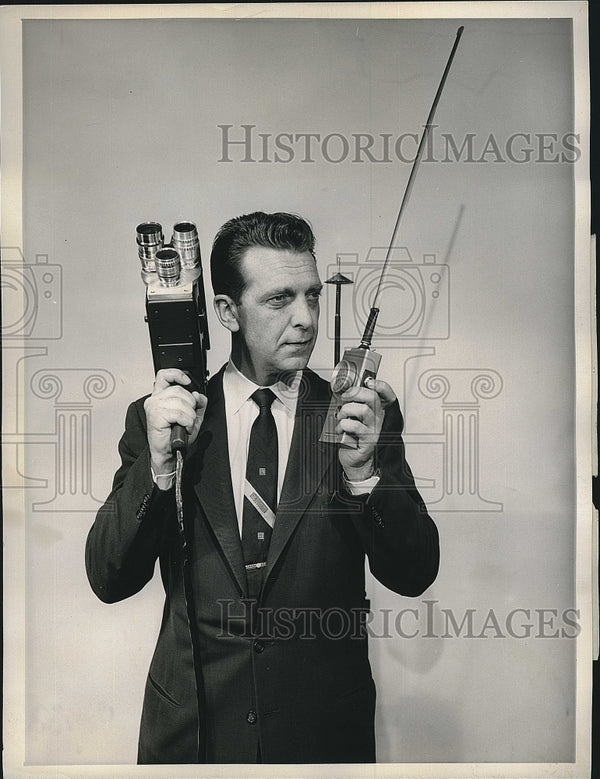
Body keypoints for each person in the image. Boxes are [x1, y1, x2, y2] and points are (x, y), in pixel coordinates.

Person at [85, 211, 439, 765]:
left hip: (322, 738)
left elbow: (415, 573)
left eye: (313, 297)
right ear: (227, 311)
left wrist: (364, 475)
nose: (305, 320)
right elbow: (108, 578)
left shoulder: (358, 417)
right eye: (279, 300)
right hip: (195, 738)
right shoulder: (162, 420)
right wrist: (156, 467)